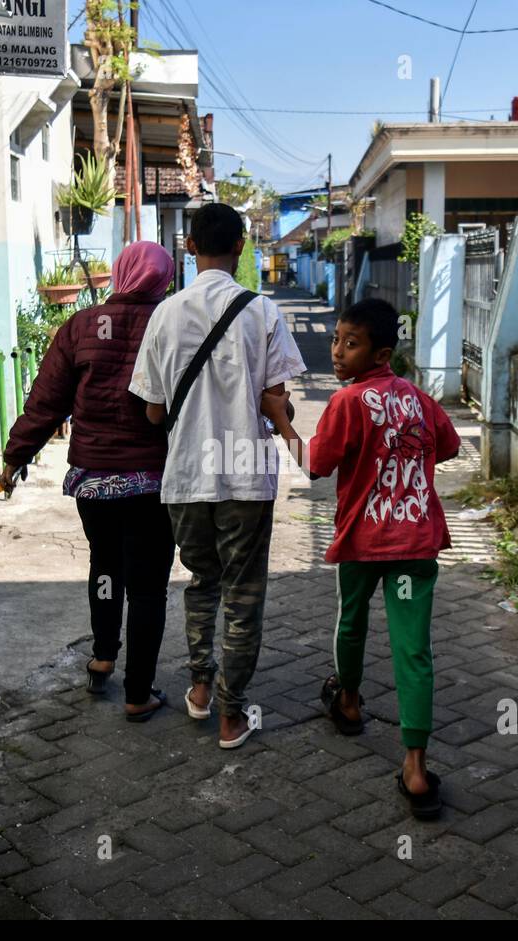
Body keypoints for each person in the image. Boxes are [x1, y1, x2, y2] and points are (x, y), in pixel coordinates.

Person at [261, 298, 461, 818]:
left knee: (352, 622)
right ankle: (415, 766)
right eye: (336, 340)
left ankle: (348, 701)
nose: (338, 352)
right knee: (413, 650)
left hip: (364, 541)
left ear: (383, 352)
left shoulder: (349, 404)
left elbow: (315, 465)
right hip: (416, 541)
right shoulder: (418, 398)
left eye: (351, 343)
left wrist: (283, 421)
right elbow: (451, 445)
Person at [129, 204, 305, 749]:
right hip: (245, 473)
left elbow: (153, 411)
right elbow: (280, 403)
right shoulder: (262, 311)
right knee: (244, 592)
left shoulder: (165, 314)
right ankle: (233, 715)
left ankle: (200, 688)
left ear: (189, 246)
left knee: (202, 584)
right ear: (242, 246)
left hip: (186, 472)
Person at [0, 242, 177, 722]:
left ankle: (102, 655)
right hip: (152, 480)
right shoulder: (172, 324)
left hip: (93, 479)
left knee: (105, 566)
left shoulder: (79, 326)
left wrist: (15, 456)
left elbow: (46, 402)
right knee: (147, 587)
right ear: (162, 280)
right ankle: (139, 692)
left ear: (120, 273)